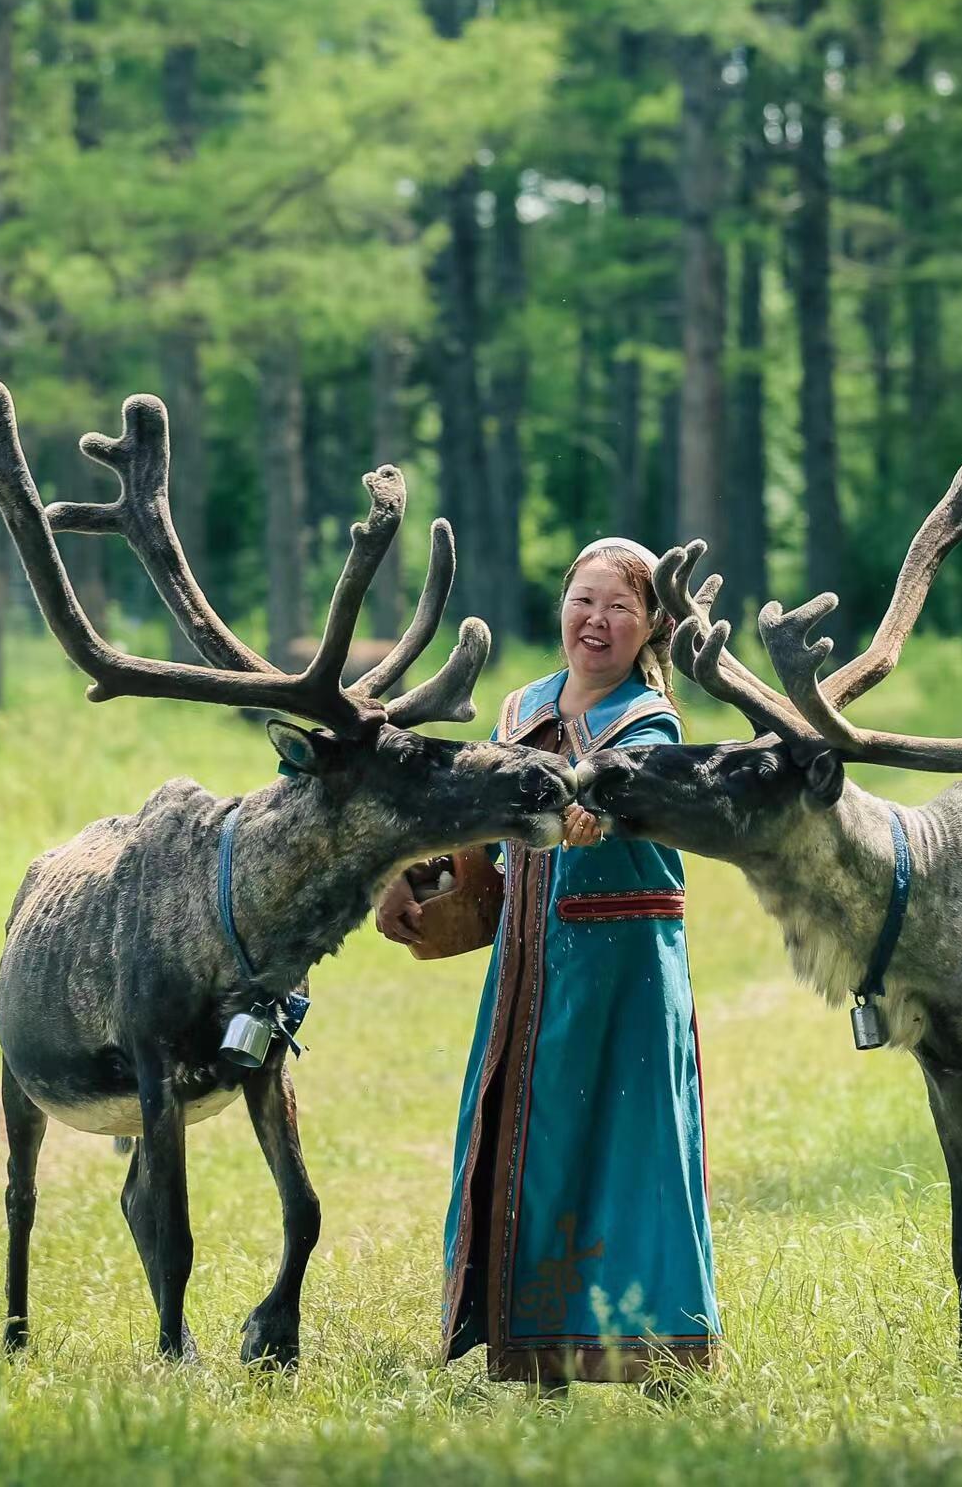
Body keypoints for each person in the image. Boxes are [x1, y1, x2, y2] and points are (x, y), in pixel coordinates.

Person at [376, 537, 717, 1387]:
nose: (596, 621)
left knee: (628, 1148)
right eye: (583, 601)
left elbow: (625, 790)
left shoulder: (651, 722)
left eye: (619, 608)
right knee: (528, 1146)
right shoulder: (520, 707)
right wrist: (411, 873)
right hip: (527, 972)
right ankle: (531, 1354)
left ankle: (659, 1356)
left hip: (622, 980)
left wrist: (600, 808)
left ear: (652, 627)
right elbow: (483, 827)